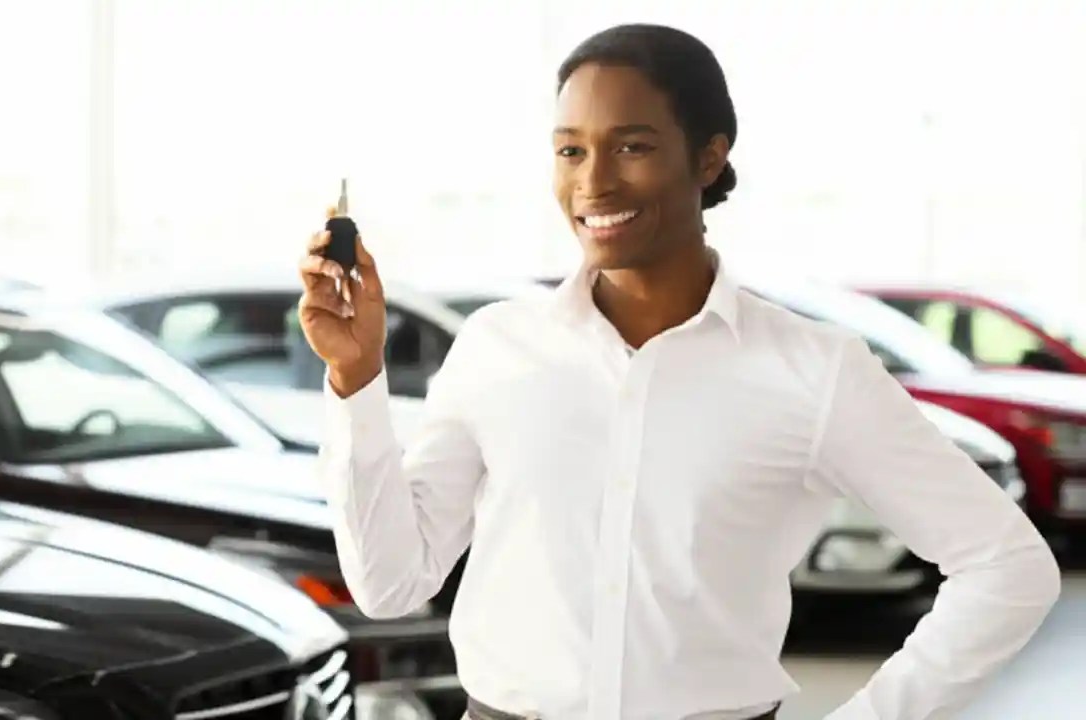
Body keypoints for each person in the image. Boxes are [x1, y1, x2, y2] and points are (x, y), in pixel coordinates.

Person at [295, 23, 1061, 720]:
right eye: (570, 150)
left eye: (631, 146)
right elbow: (391, 584)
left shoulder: (812, 370)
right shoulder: (497, 348)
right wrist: (356, 380)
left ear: (708, 156)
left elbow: (1009, 566)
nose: (593, 182)